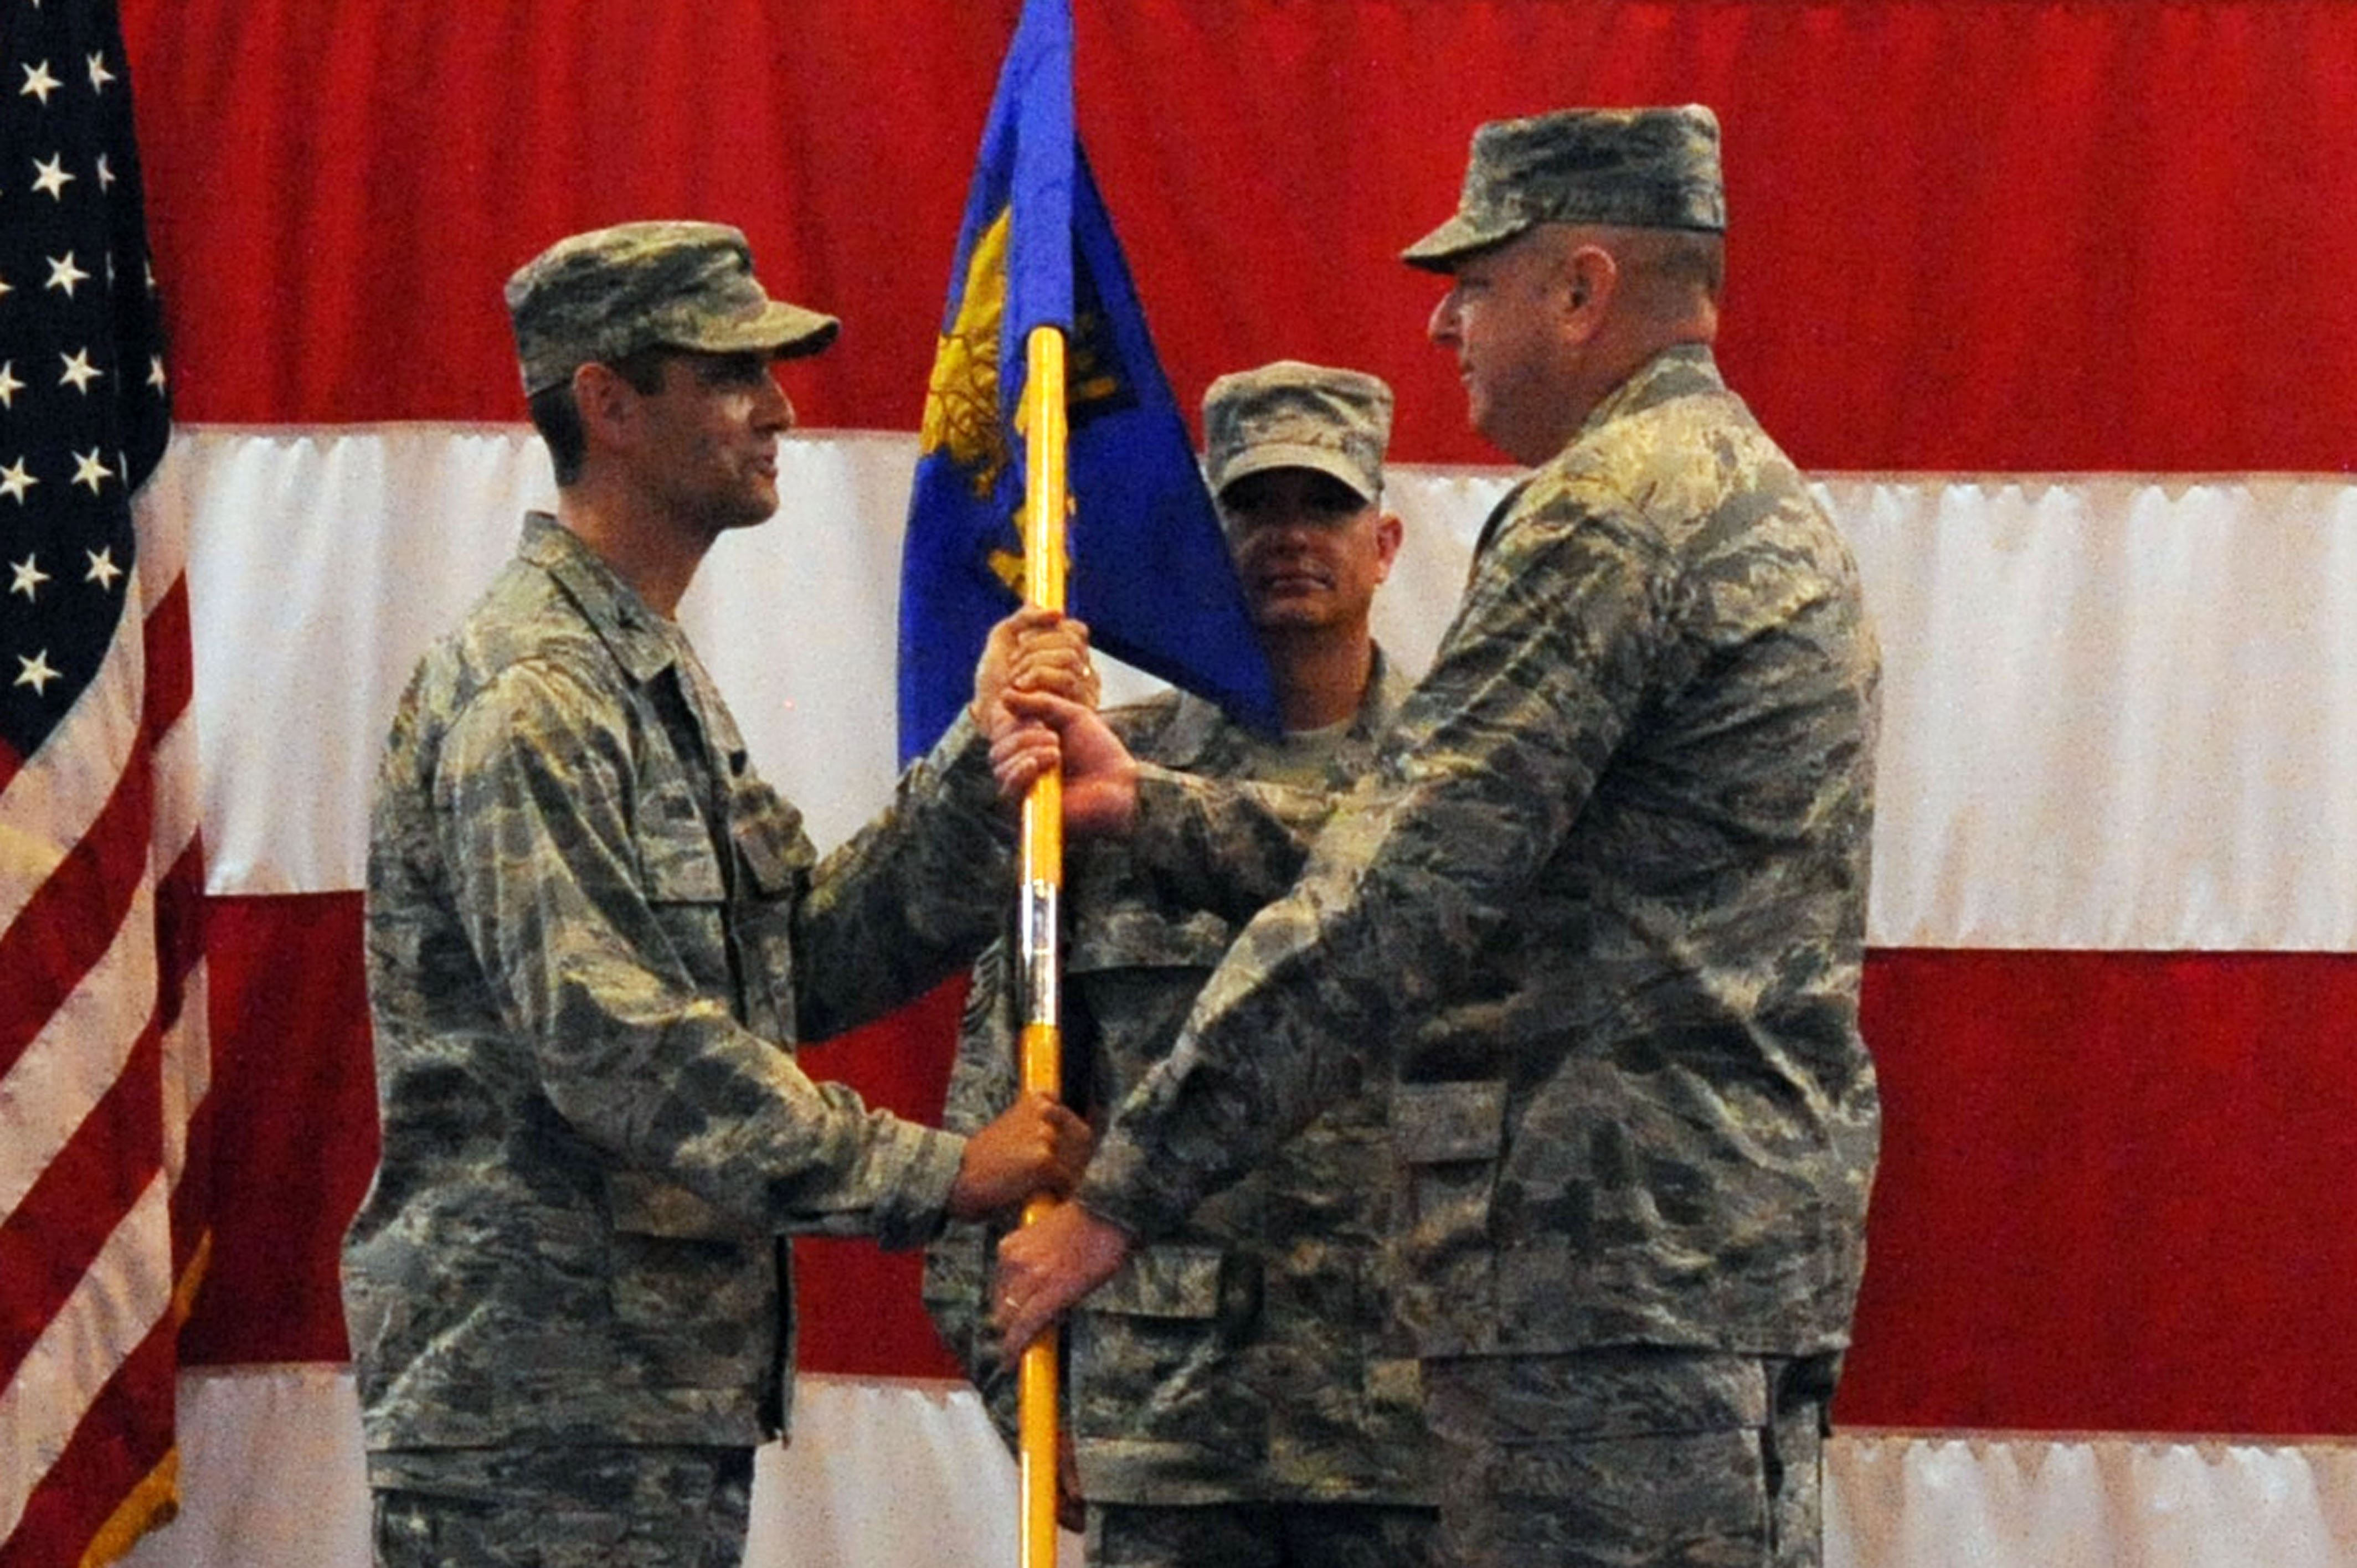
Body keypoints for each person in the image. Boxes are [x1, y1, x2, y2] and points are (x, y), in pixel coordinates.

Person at [991, 106, 1882, 1568]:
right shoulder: (1755, 501)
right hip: (1703, 1280)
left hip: (1602, 1296)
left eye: (1479, 281)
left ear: (1583, 289)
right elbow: (1500, 859)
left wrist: (1123, 1196)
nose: (1442, 324)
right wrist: (1155, 806)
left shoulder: (1611, 512)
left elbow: (1406, 890)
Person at [342, 219, 1094, 1568]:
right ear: (608, 403)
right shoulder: (535, 691)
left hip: (636, 1401)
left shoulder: (645, 676)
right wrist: (932, 1173)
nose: (779, 408)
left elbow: (794, 959)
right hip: (537, 1417)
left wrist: (979, 781)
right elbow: (613, 1040)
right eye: (732, 372)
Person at [924, 362, 1436, 1567]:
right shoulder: (1099, 788)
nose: (1291, 538)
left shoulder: (1462, 788)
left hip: (1418, 1450)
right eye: (1255, 509)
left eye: (1325, 506)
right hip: (1171, 1452)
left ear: (1386, 541)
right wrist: (1049, 1422)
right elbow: (996, 1135)